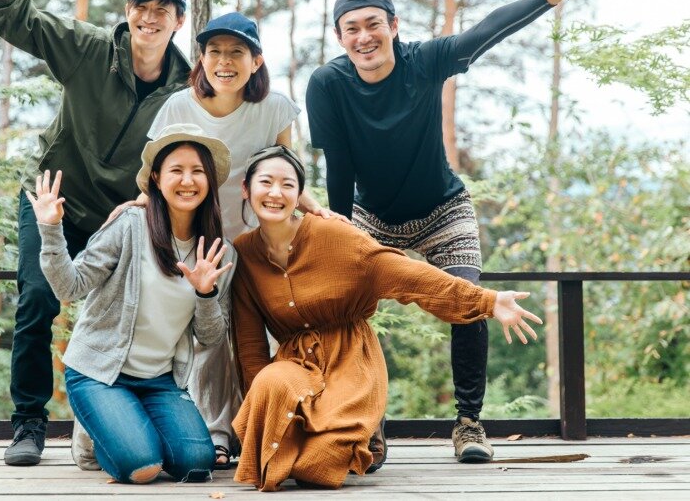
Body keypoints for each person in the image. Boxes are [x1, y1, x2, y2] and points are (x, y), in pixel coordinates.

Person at [305, 0, 612, 463]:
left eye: (374, 24)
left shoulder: (424, 61)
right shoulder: (327, 84)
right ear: (339, 37)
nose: (364, 37)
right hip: (370, 215)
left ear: (394, 26)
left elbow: (485, 31)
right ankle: (363, 425)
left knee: (467, 300)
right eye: (351, 28)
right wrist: (339, 235)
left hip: (442, 210)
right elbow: (340, 166)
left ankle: (469, 424)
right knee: (345, 307)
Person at [0, 0, 191, 465]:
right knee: (37, 300)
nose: (149, 16)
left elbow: (209, 146)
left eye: (162, 9)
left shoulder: (185, 90)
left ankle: (117, 422)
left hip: (120, 216)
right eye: (140, 6)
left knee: (132, 311)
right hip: (53, 200)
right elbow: (18, 18)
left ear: (178, 20)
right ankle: (28, 423)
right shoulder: (90, 50)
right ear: (128, 12)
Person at [230, 145, 542, 491]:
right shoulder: (244, 252)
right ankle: (328, 438)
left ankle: (361, 433)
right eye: (266, 182)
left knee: (317, 467)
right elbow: (249, 345)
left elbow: (406, 275)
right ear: (246, 188)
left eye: (287, 185)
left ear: (299, 194)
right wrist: (260, 416)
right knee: (270, 384)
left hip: (350, 360)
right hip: (295, 366)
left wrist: (488, 300)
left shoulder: (334, 235)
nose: (275, 193)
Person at [110, 12, 338, 467]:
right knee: (206, 338)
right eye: (214, 52)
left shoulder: (274, 107)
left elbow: (284, 172)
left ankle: (264, 429)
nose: (224, 61)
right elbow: (159, 171)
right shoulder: (178, 106)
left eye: (236, 52)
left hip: (254, 242)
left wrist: (316, 209)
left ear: (257, 61)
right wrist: (136, 204)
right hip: (197, 241)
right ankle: (211, 433)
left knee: (258, 339)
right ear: (202, 59)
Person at [26, 124, 237, 484]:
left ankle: (124, 425)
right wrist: (50, 230)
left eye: (198, 171)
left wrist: (206, 294)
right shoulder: (130, 225)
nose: (188, 181)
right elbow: (69, 286)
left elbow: (210, 337)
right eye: (176, 170)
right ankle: (98, 435)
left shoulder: (220, 252)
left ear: (210, 181)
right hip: (99, 374)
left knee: (197, 464)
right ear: (156, 178)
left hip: (161, 382)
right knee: (142, 467)